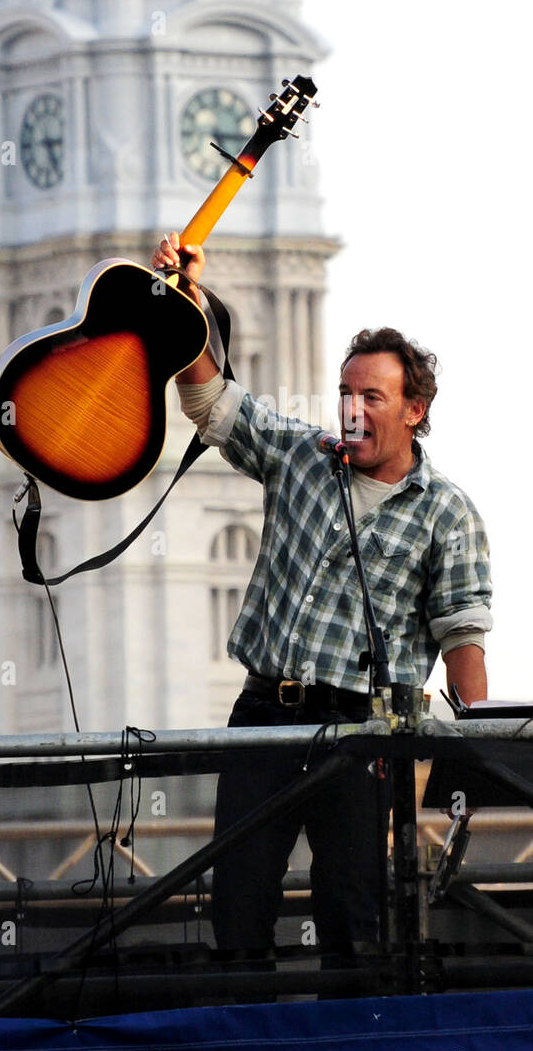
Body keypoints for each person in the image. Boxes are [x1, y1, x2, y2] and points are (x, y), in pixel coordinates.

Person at [151, 233, 492, 963]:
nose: (353, 409)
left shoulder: (446, 512)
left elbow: (462, 632)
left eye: (372, 395)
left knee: (355, 911)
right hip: (265, 714)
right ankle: (244, 1043)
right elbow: (212, 403)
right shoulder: (302, 458)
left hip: (362, 734)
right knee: (238, 899)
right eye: (346, 393)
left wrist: (479, 751)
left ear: (414, 410)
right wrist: (186, 304)